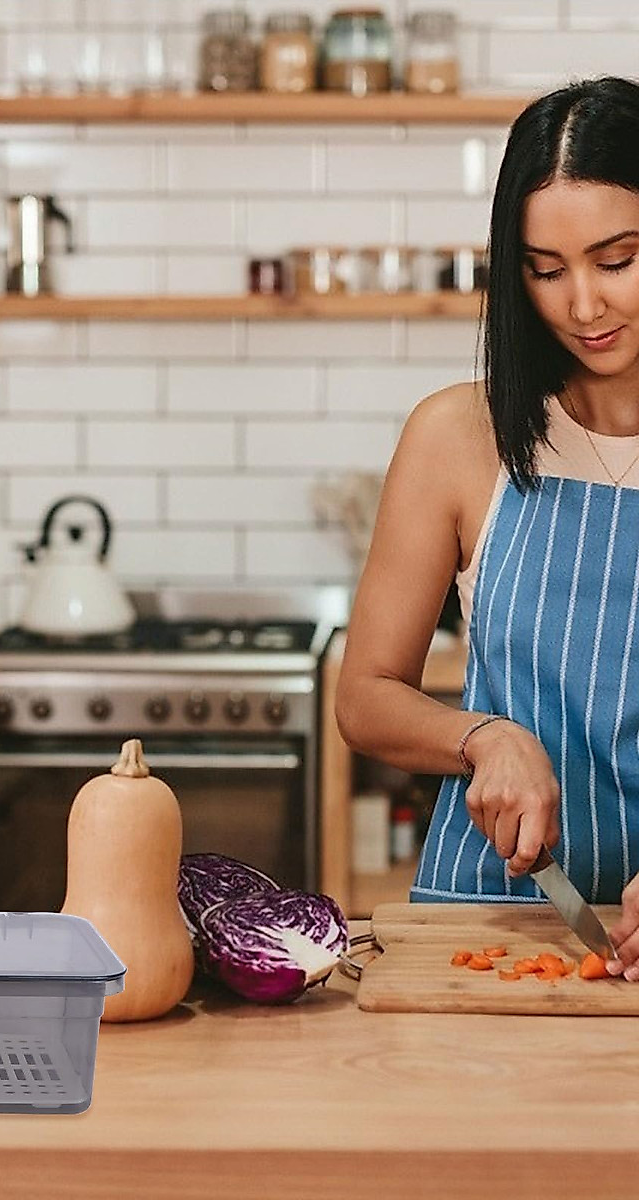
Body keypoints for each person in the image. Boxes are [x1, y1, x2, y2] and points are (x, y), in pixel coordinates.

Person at [335, 76, 639, 981]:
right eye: (546, 270)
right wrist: (481, 738)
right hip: (484, 929)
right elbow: (366, 695)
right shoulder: (457, 437)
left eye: (618, 259)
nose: (581, 304)